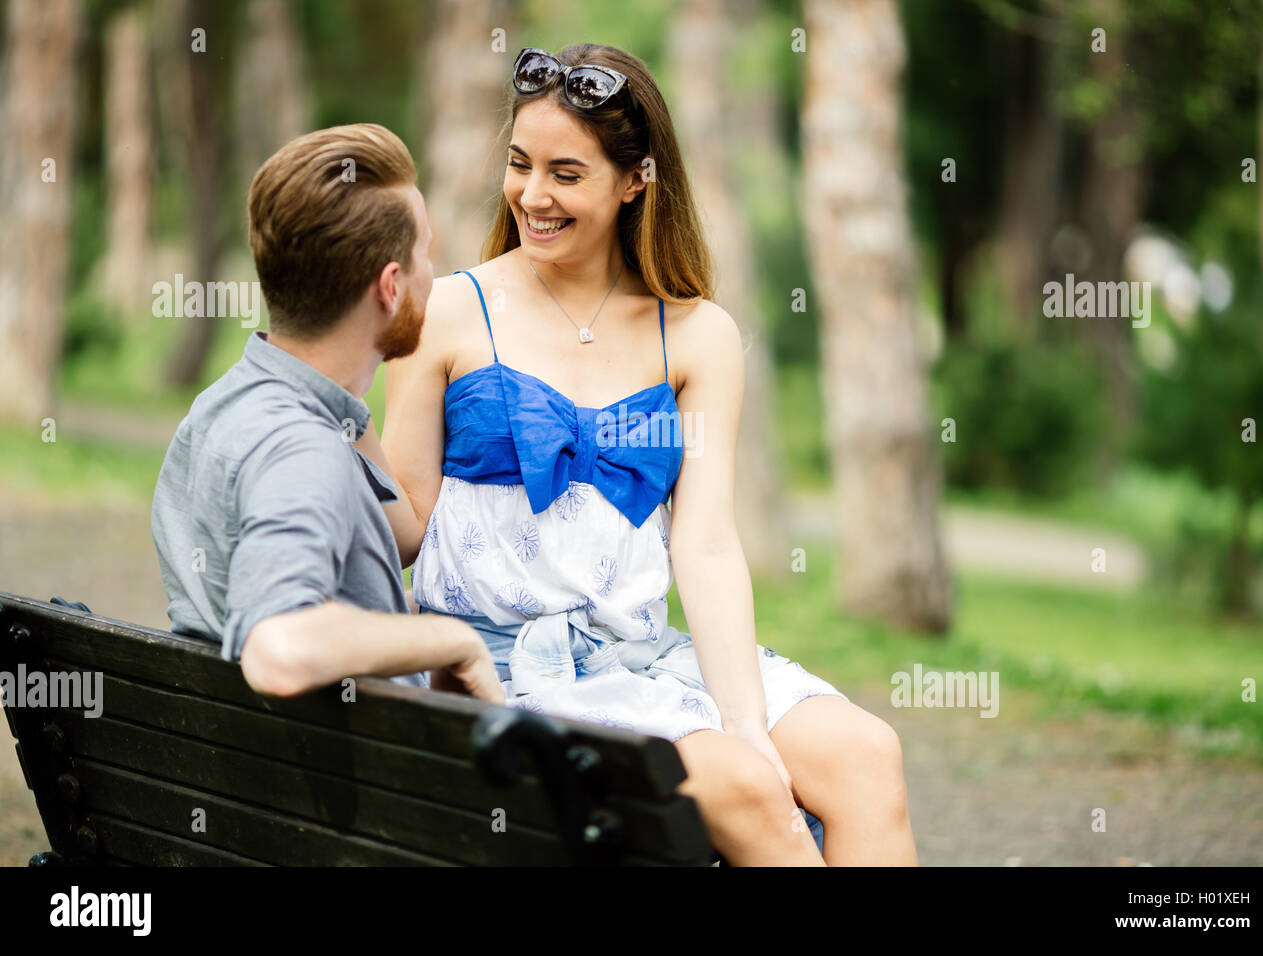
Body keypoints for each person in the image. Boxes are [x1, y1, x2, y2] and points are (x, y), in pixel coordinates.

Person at [364, 45, 917, 865]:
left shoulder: (698, 335)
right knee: (749, 787)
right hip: (503, 669)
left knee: (867, 755)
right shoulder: (449, 312)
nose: (533, 195)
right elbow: (402, 528)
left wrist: (743, 718)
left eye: (566, 173)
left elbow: (707, 543)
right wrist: (325, 404)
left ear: (635, 180)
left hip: (640, 654)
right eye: (520, 165)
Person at [151, 123, 503, 706]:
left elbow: (393, 548)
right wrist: (449, 640)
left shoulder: (222, 409)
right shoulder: (302, 450)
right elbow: (279, 648)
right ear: (391, 286)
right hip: (371, 782)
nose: (432, 275)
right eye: (424, 253)